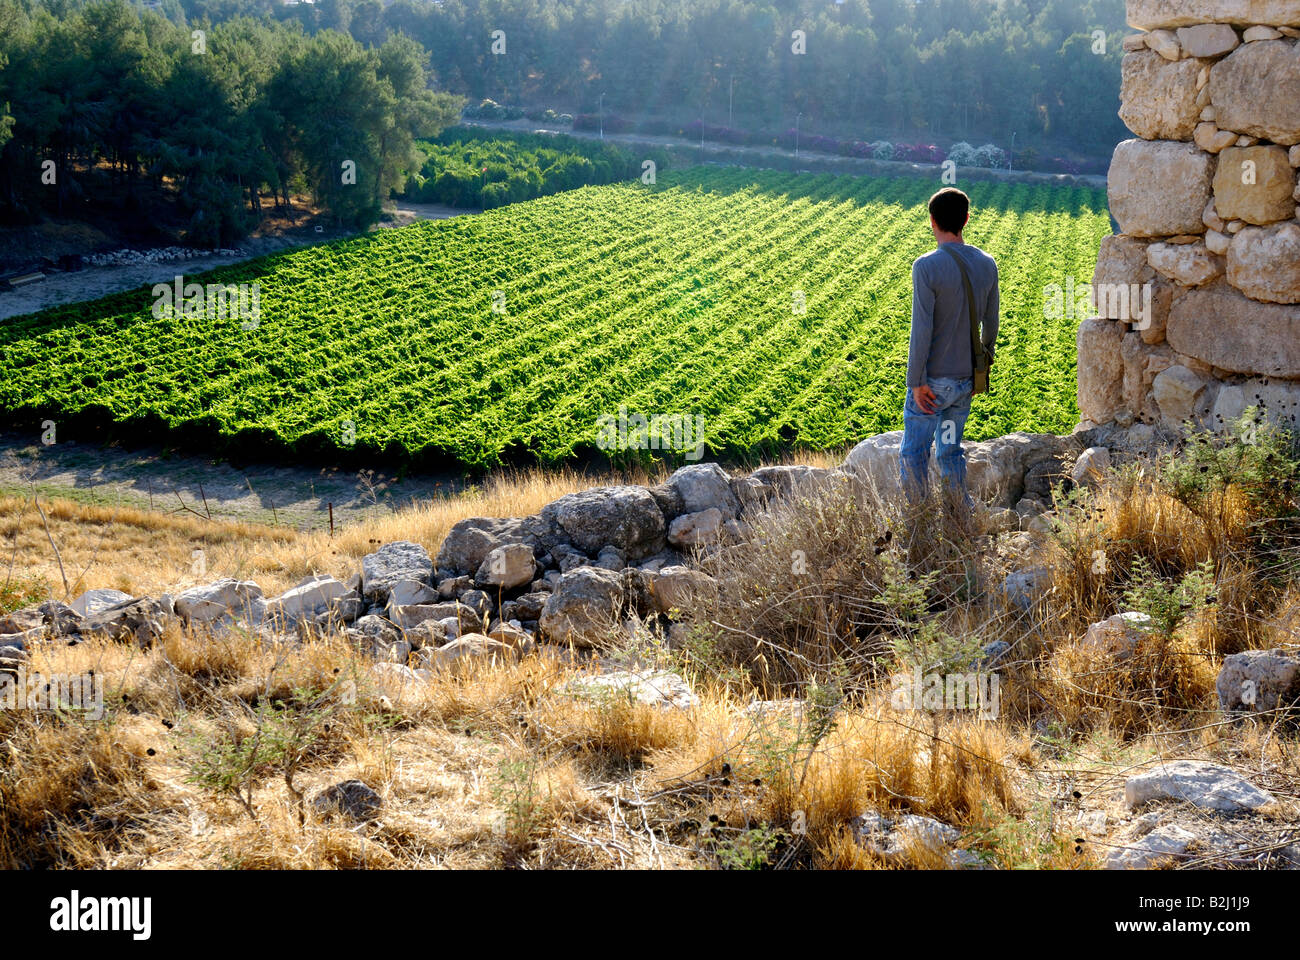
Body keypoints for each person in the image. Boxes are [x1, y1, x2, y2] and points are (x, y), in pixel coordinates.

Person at [900, 187, 1000, 507]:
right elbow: (992, 324)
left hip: (933, 384)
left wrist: (915, 382)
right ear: (966, 219)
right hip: (965, 382)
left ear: (932, 221)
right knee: (949, 450)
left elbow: (922, 328)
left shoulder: (926, 266)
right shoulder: (987, 263)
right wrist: (979, 371)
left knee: (914, 453)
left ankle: (920, 523)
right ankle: (960, 515)